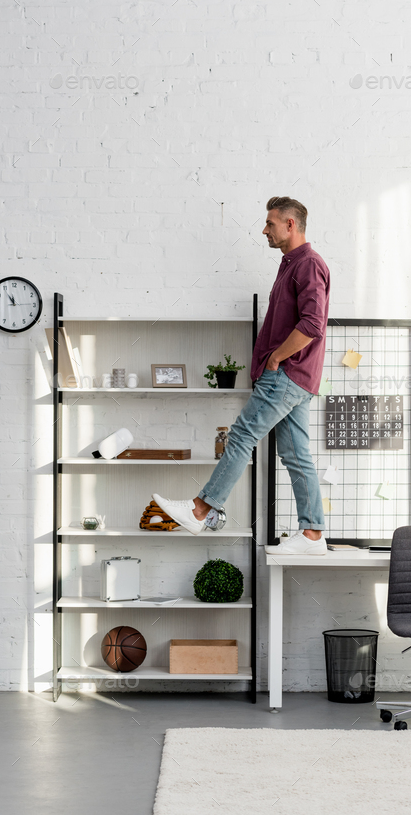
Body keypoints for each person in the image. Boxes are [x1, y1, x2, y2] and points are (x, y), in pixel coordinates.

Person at [153, 196, 331, 555]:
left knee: (240, 437)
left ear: (290, 224)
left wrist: (276, 358)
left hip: (287, 374)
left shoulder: (308, 264)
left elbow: (313, 324)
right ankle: (313, 534)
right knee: (296, 456)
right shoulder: (291, 265)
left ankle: (200, 510)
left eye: (270, 223)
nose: (264, 230)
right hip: (296, 377)